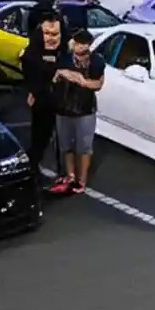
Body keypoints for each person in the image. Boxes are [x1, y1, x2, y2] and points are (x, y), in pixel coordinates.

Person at [48, 29, 105, 196]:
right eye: (77, 43)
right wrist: (62, 74)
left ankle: (82, 180)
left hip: (85, 109)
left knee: (84, 147)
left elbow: (99, 84)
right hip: (64, 107)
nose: (79, 47)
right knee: (66, 145)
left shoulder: (96, 61)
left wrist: (81, 81)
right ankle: (70, 175)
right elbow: (54, 78)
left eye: (83, 44)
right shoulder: (65, 58)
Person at [20, 12, 65, 177]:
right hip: (43, 102)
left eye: (55, 34)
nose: (51, 38)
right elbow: (29, 69)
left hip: (64, 103)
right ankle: (34, 166)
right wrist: (34, 90)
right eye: (47, 34)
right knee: (41, 136)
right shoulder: (32, 53)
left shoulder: (65, 51)